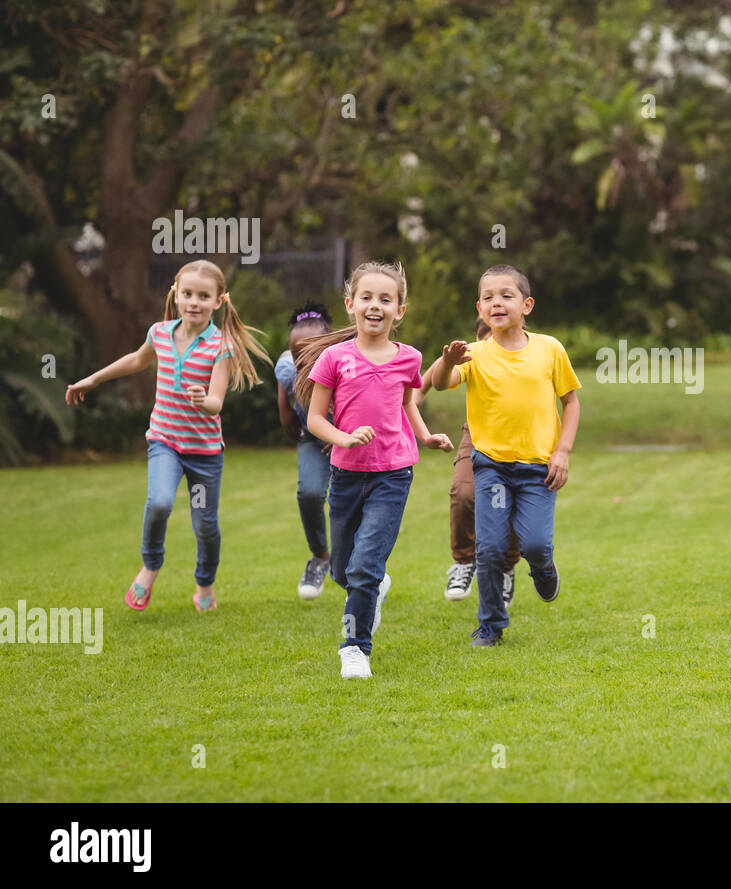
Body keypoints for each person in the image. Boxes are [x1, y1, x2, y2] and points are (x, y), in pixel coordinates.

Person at [65, 259, 270, 612]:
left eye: (203, 296)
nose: (194, 301)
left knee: (204, 524)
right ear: (175, 294)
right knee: (159, 502)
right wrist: (94, 379)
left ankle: (204, 585)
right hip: (165, 442)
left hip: (204, 454)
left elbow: (217, 403)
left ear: (218, 301)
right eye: (187, 293)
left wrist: (203, 400)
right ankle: (150, 566)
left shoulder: (220, 345)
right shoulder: (159, 333)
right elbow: (135, 361)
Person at [293, 262, 452, 679]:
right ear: (350, 304)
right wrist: (342, 438)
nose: (375, 306)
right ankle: (374, 587)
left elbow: (407, 402)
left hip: (393, 473)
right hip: (345, 474)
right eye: (367, 297)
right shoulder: (334, 358)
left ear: (400, 310)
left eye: (386, 299)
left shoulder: (409, 358)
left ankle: (355, 647)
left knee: (363, 567)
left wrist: (425, 436)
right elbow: (314, 419)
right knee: (346, 571)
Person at [424, 264, 581, 647]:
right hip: (491, 466)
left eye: (506, 295)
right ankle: (491, 626)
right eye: (488, 297)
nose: (497, 302)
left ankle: (543, 569)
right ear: (479, 309)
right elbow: (442, 383)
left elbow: (571, 402)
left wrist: (563, 451)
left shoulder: (550, 349)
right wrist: (447, 361)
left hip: (538, 469)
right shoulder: (473, 355)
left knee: (535, 546)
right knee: (491, 548)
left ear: (526, 305)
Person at [417, 317, 523, 607]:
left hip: (520, 442)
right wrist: (403, 413)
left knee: (512, 504)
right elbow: (426, 383)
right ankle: (464, 562)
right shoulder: (471, 356)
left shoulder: (528, 355)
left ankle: (506, 567)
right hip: (476, 436)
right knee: (464, 493)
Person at [274, 301, 334, 599]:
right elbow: (284, 391)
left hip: (349, 439)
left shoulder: (344, 366)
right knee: (309, 493)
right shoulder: (287, 367)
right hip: (313, 439)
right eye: (299, 356)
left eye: (312, 355)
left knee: (348, 503)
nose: (304, 363)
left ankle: (356, 565)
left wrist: (336, 435)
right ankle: (320, 557)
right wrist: (287, 414)